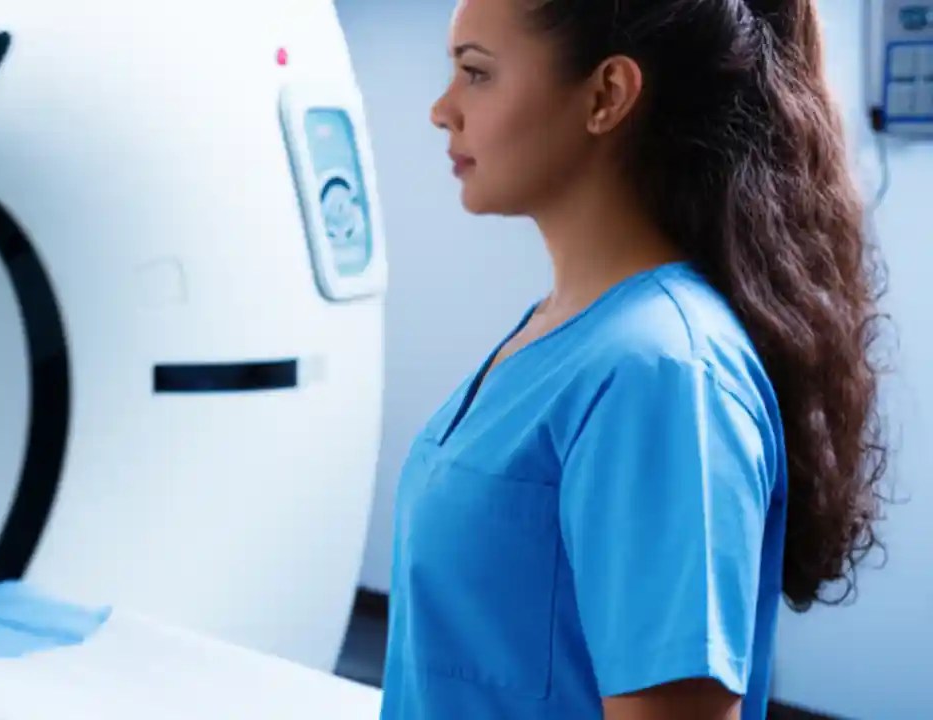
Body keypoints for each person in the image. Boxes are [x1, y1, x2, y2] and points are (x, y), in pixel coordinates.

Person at [379, 0, 890, 718]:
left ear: (605, 96)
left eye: (476, 74)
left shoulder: (663, 372)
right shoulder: (566, 329)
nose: (442, 109)